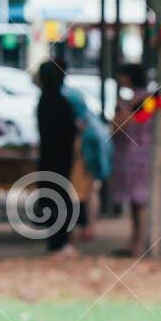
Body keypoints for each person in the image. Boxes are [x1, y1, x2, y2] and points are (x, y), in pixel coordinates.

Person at [34, 60, 80, 256]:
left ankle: (56, 242)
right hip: (61, 159)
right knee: (59, 198)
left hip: (48, 157)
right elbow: (70, 133)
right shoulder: (61, 103)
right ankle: (59, 242)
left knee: (51, 197)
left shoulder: (44, 102)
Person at [111, 62, 156, 258]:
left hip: (139, 157)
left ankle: (140, 244)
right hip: (129, 157)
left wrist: (124, 111)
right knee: (134, 203)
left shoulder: (147, 100)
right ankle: (134, 241)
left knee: (140, 201)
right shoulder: (136, 100)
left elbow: (129, 123)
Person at [61, 81, 111, 243]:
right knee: (90, 191)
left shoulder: (67, 98)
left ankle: (79, 229)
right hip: (89, 155)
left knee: (78, 192)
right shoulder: (75, 97)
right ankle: (88, 227)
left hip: (83, 156)